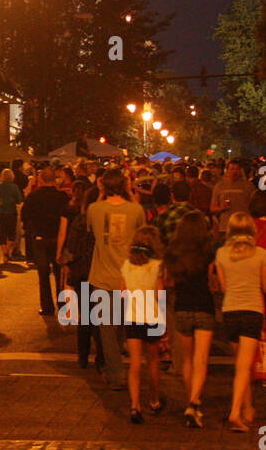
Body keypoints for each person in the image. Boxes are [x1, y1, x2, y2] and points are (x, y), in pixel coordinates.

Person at [86, 170, 146, 389]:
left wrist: (101, 194)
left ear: (103, 186)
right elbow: (143, 236)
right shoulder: (136, 210)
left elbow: (91, 229)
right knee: (123, 326)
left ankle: (116, 374)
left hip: (102, 278)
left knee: (107, 330)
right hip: (130, 278)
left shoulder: (94, 208)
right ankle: (123, 371)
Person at [215, 212, 266, 432]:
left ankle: (248, 408)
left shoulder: (221, 254)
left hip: (230, 311)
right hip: (251, 312)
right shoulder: (260, 254)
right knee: (244, 367)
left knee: (241, 365)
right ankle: (235, 412)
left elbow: (223, 287)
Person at [164, 211, 217, 428]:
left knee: (186, 358)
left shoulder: (173, 251)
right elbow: (213, 279)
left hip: (182, 307)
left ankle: (191, 400)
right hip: (204, 305)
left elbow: (168, 281)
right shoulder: (208, 251)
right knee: (201, 359)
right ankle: (194, 402)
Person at [121, 226, 166, 424]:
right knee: (153, 361)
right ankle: (154, 400)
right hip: (152, 316)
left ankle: (134, 405)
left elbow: (122, 292)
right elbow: (159, 294)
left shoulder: (126, 266)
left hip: (132, 316)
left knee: (135, 363)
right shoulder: (157, 266)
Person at [23, 167, 69, 316]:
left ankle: (47, 306)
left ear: (41, 178)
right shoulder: (62, 197)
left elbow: (25, 216)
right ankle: (62, 304)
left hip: (40, 238)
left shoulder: (34, 197)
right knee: (59, 273)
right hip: (58, 238)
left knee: (43, 275)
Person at [0, 168, 22, 261]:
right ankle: (7, 251)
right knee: (11, 234)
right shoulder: (14, 187)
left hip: (0, 213)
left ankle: (4, 254)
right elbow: (19, 200)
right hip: (11, 212)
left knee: (2, 235)